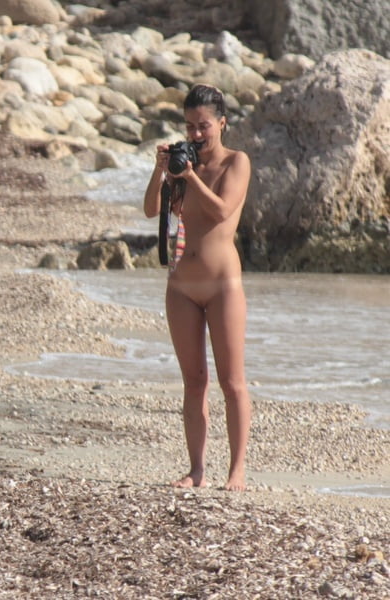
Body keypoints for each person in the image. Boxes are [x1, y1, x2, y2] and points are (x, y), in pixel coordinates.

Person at [142, 84, 252, 491]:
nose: (195, 134)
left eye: (203, 126)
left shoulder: (236, 163)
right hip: (181, 287)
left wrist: (190, 175)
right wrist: (161, 170)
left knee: (232, 381)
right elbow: (152, 210)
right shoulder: (181, 164)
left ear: (221, 124)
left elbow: (222, 209)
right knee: (194, 381)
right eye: (189, 126)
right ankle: (196, 469)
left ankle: (237, 469)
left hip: (223, 286)